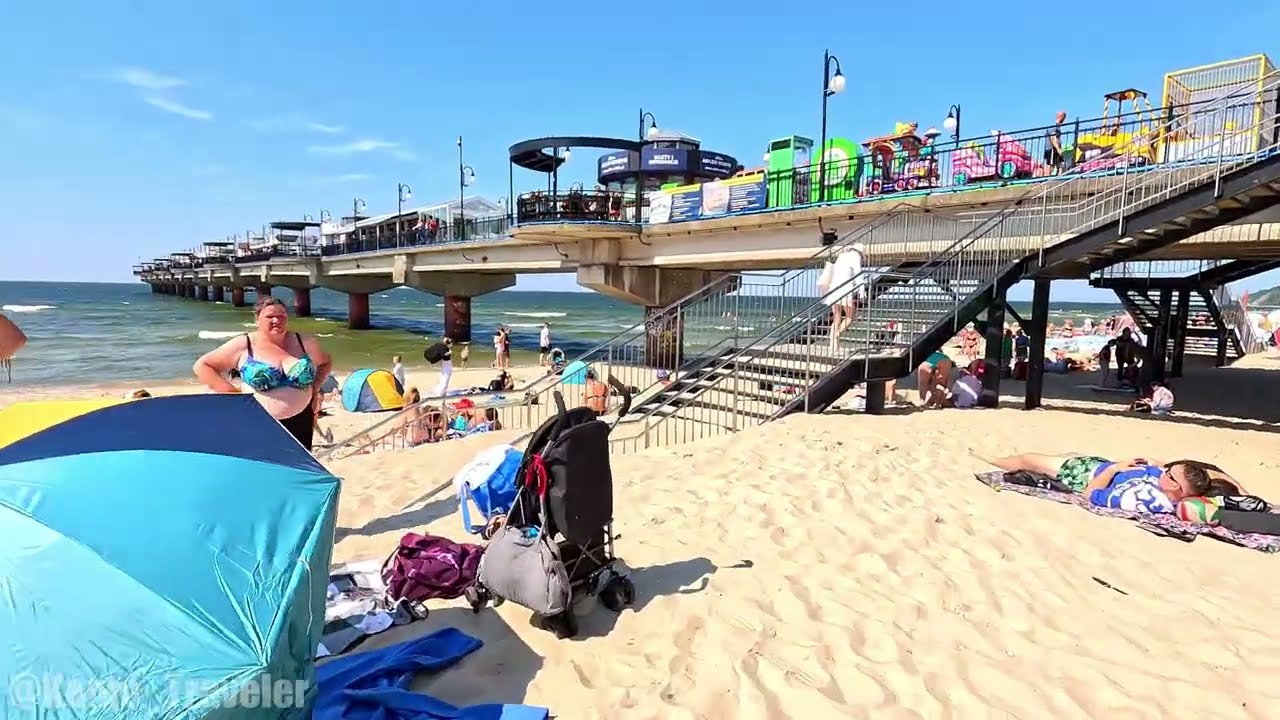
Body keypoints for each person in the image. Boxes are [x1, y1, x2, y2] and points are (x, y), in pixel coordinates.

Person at [192, 296, 332, 450]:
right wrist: (233, 394)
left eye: (281, 316)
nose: (276, 320)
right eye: (270, 316)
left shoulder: (303, 341)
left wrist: (315, 387)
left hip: (301, 419)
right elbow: (203, 366)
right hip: (257, 422)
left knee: (298, 470)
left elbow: (325, 362)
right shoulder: (244, 344)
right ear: (257, 319)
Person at [981, 453, 1210, 511]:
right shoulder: (1165, 487)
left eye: (1169, 473)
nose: (1164, 470)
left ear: (1176, 488)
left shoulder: (1137, 499)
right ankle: (992, 457)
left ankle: (989, 459)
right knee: (1032, 458)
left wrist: (1114, 468)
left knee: (1029, 460)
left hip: (1086, 474)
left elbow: (1091, 494)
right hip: (1102, 466)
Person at [818, 243, 867, 353]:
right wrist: (862, 292)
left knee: (836, 318)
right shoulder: (855, 257)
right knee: (850, 316)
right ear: (860, 252)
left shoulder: (842, 256)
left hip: (834, 289)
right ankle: (836, 336)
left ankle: (833, 346)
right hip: (845, 290)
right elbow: (858, 275)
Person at [0, 312, 27, 383]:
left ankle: (8, 377)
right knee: (7, 363)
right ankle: (8, 377)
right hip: (6, 351)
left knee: (6, 363)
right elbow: (22, 339)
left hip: (6, 351)